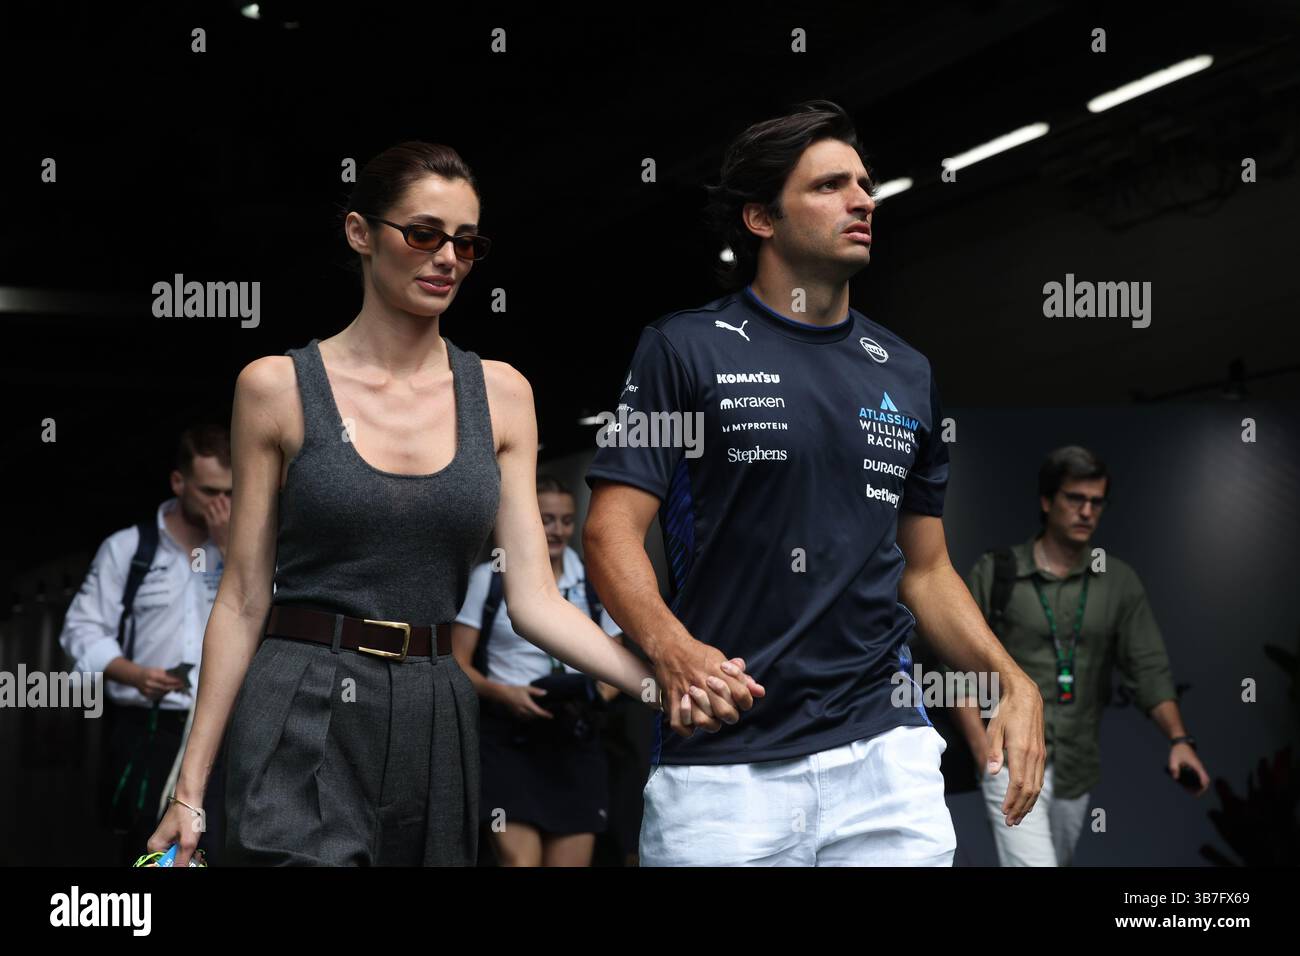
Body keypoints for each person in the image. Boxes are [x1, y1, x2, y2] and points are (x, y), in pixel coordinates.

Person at [147, 141, 760, 867]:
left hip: (437, 710)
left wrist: (659, 682)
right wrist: (189, 787)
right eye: (424, 233)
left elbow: (535, 600)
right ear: (360, 233)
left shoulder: (503, 395)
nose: (447, 258)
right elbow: (243, 598)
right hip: (302, 692)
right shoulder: (274, 387)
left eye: (466, 243)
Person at [583, 100, 1046, 866]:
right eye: (831, 185)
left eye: (864, 184)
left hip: (884, 756)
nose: (863, 199)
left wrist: (1011, 680)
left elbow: (925, 570)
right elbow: (609, 532)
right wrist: (669, 648)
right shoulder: (684, 349)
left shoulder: (906, 370)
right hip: (723, 770)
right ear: (761, 219)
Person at [955, 445, 1210, 866]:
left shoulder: (1117, 581)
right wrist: (983, 751)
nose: (1087, 511)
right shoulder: (999, 571)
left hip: (1077, 765)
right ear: (1047, 501)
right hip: (1011, 755)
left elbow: (1148, 667)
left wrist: (1179, 740)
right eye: (1075, 499)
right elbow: (958, 663)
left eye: (1096, 502)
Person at [59, 425, 231, 864]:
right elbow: (80, 629)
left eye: (232, 492)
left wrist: (233, 549)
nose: (222, 504)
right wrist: (133, 674)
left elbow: (274, 618)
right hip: (150, 729)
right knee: (148, 846)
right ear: (179, 483)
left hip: (226, 734)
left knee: (223, 848)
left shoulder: (246, 549)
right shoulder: (128, 548)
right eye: (211, 490)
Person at [453, 474, 623, 866]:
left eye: (565, 520)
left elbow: (615, 667)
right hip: (510, 739)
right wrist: (504, 695)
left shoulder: (597, 583)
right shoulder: (489, 579)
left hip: (575, 739)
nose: (557, 530)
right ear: (529, 518)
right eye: (546, 519)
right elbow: (458, 662)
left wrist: (590, 696)